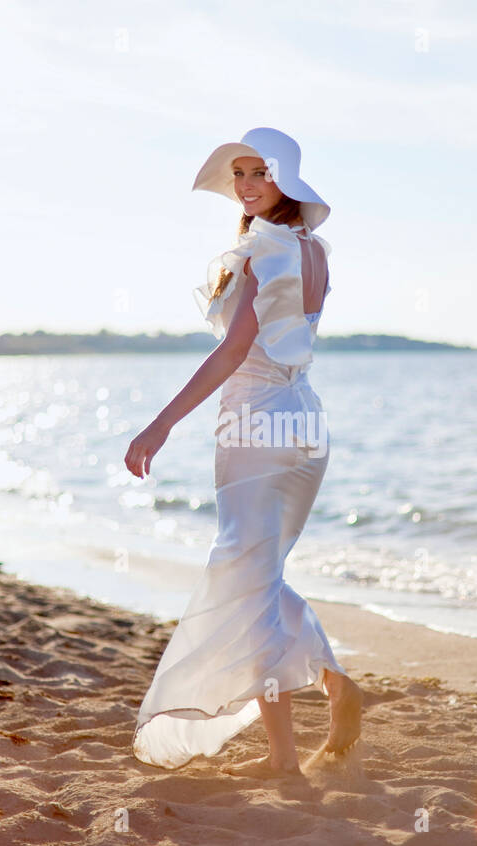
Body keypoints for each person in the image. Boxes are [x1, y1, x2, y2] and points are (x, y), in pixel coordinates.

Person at [125, 127, 363, 779]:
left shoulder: (262, 250)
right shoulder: (313, 252)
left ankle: (285, 756)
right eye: (241, 174)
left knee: (248, 582)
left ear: (285, 179)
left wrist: (160, 423)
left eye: (261, 172)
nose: (249, 184)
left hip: (257, 424)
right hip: (305, 422)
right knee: (259, 577)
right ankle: (335, 686)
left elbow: (234, 352)